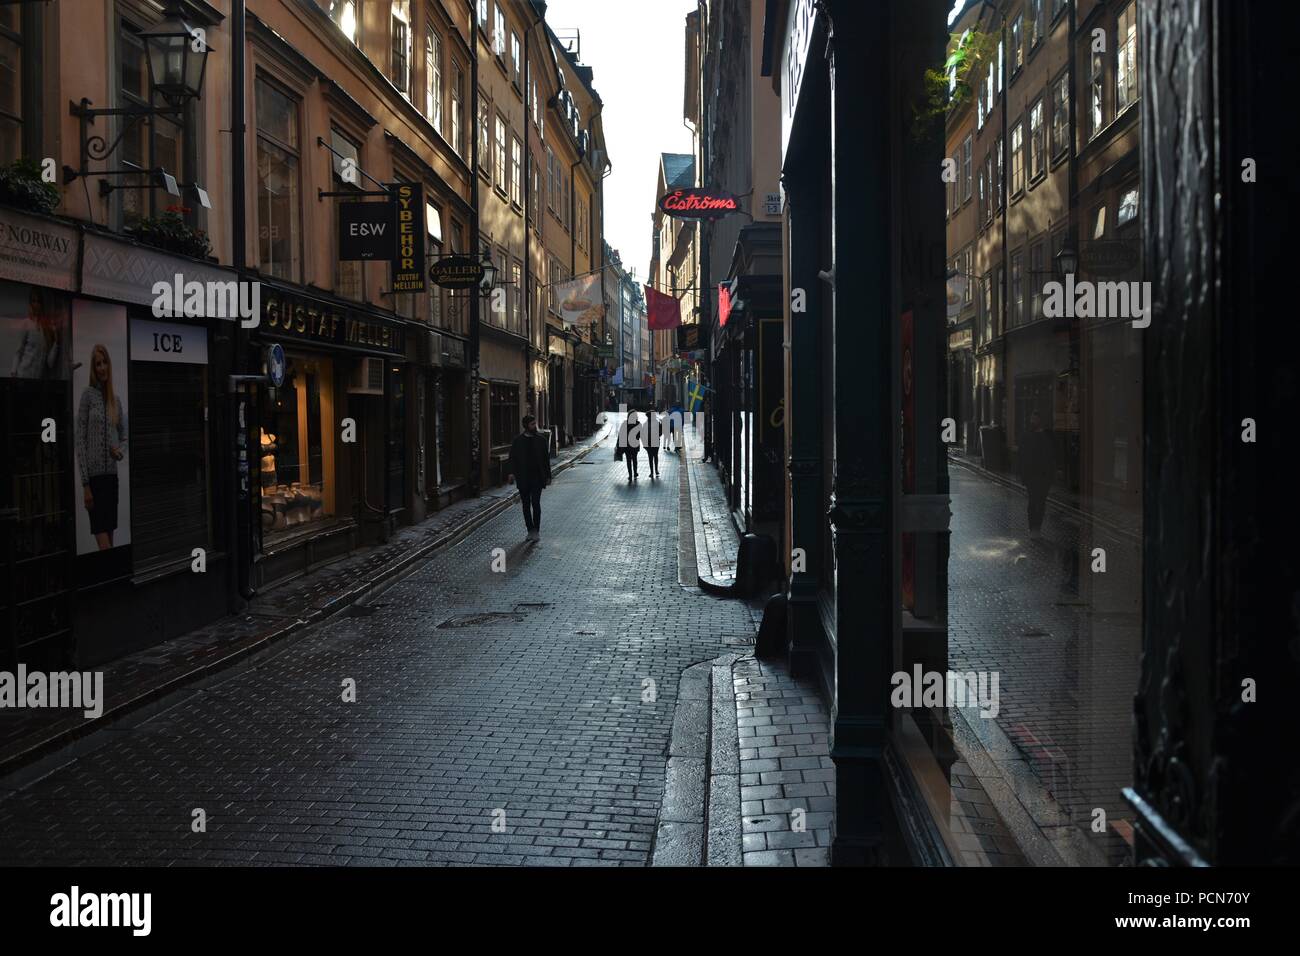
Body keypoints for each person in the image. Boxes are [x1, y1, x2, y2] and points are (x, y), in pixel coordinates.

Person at [78, 343, 127, 551]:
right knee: (105, 546)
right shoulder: (87, 396)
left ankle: (111, 583)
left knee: (111, 542)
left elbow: (124, 436)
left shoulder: (115, 400)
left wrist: (119, 453)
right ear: (93, 368)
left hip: (111, 480)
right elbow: (80, 440)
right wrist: (85, 485)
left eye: (104, 362)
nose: (102, 367)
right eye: (98, 364)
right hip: (94, 483)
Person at [507, 413, 552, 540]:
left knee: (536, 503)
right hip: (523, 478)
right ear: (526, 426)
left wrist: (548, 476)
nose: (535, 426)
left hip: (537, 478)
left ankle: (536, 530)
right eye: (532, 424)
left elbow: (545, 460)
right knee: (526, 505)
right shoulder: (518, 441)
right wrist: (511, 473)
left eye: (535, 423)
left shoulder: (541, 440)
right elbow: (512, 458)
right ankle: (530, 530)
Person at [1019, 409, 1055, 539]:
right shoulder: (1026, 436)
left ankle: (1037, 528)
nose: (1033, 421)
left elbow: (1052, 456)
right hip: (1031, 476)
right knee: (1033, 502)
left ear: (1040, 420)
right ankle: (1032, 528)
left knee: (1041, 503)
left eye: (1035, 419)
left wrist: (1052, 474)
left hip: (1044, 476)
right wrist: (1023, 476)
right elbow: (1022, 457)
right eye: (1032, 419)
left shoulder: (1048, 436)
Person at [618, 409, 642, 482]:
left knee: (628, 460)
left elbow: (621, 435)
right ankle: (635, 473)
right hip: (635, 444)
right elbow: (640, 435)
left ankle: (630, 475)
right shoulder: (638, 424)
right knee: (634, 459)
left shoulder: (625, 423)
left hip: (627, 445)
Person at [645, 406, 662, 479]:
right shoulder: (657, 423)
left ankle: (652, 472)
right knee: (655, 455)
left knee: (650, 457)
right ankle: (656, 470)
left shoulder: (646, 424)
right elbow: (661, 433)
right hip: (655, 441)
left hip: (648, 442)